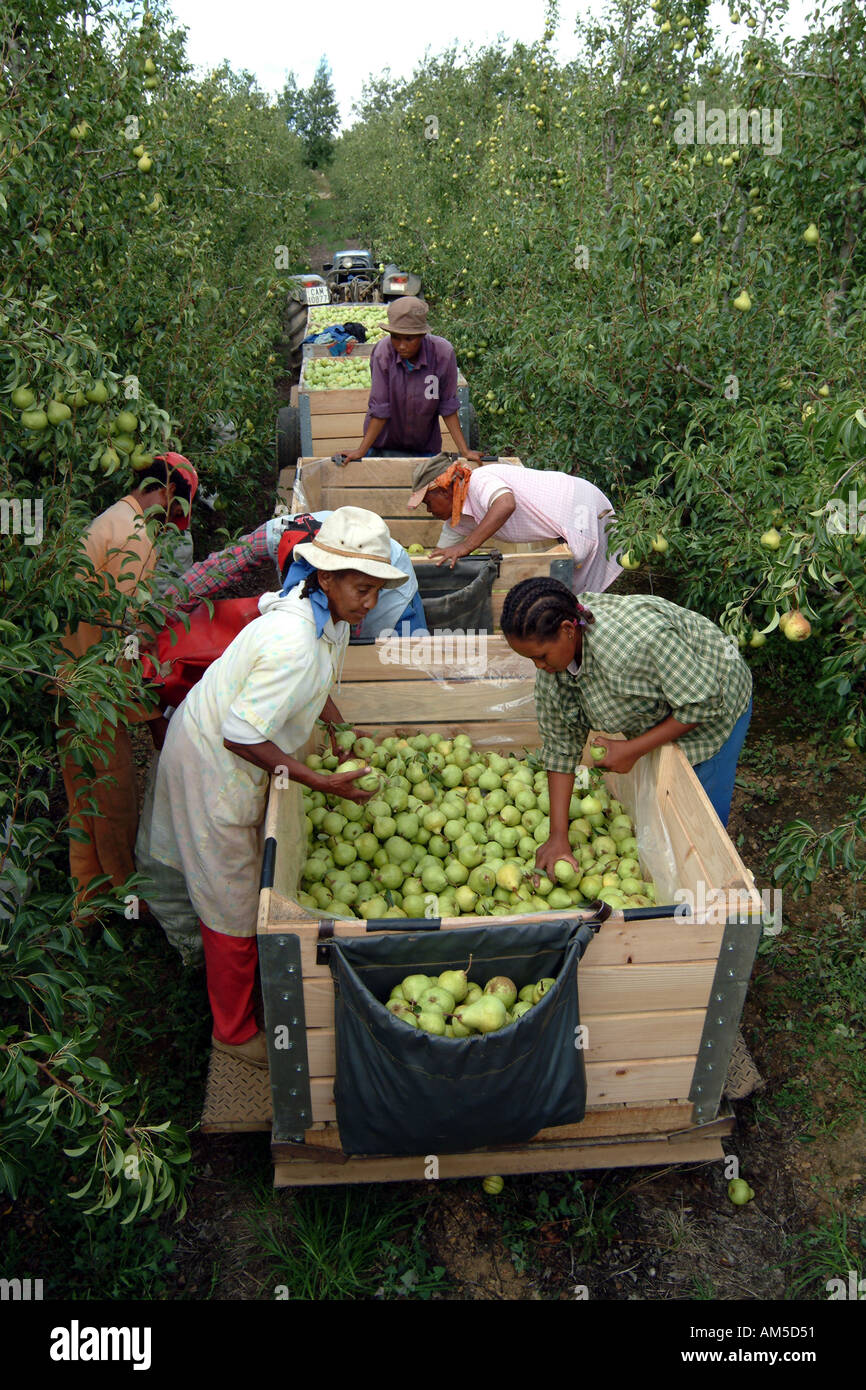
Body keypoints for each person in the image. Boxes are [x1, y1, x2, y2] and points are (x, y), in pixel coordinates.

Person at [147, 507, 407, 1068]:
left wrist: (335, 731)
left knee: (235, 886)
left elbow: (316, 683)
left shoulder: (327, 617)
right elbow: (241, 734)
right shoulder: (292, 638)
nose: (368, 602)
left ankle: (236, 988)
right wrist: (318, 780)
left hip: (234, 748)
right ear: (328, 577)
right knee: (234, 904)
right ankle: (233, 1032)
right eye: (361, 588)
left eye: (375, 590)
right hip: (214, 764)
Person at [500, 578, 753, 880]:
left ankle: (713, 886)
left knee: (695, 811)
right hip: (668, 699)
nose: (538, 667)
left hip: (714, 699)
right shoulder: (555, 670)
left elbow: (704, 702)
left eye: (541, 656)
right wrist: (558, 836)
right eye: (530, 659)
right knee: (663, 796)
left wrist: (632, 749)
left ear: (569, 630)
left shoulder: (634, 643)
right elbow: (560, 745)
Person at [57, 454, 198, 921]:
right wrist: (152, 715)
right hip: (96, 692)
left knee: (84, 797)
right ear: (168, 493)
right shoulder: (134, 538)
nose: (170, 526)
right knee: (112, 801)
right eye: (174, 514)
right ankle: (124, 903)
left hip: (67, 681)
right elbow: (127, 636)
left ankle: (87, 903)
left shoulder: (110, 520)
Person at [160, 509, 427, 636]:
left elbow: (350, 624)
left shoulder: (369, 578)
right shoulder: (274, 534)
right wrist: (159, 611)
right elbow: (213, 570)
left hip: (391, 572)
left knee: (397, 657)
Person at [407, 456, 622, 594]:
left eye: (428, 502)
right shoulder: (457, 520)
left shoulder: (479, 481)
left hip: (578, 504)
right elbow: (440, 555)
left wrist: (466, 547)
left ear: (444, 491)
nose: (429, 510)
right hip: (567, 519)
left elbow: (505, 503)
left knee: (567, 577)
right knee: (572, 591)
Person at [340, 297, 482, 462]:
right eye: (396, 337)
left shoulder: (442, 354)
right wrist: (361, 451)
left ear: (422, 335)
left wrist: (464, 451)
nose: (401, 345)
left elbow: (447, 406)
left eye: (409, 339)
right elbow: (380, 408)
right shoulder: (383, 353)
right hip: (384, 444)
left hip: (424, 446)